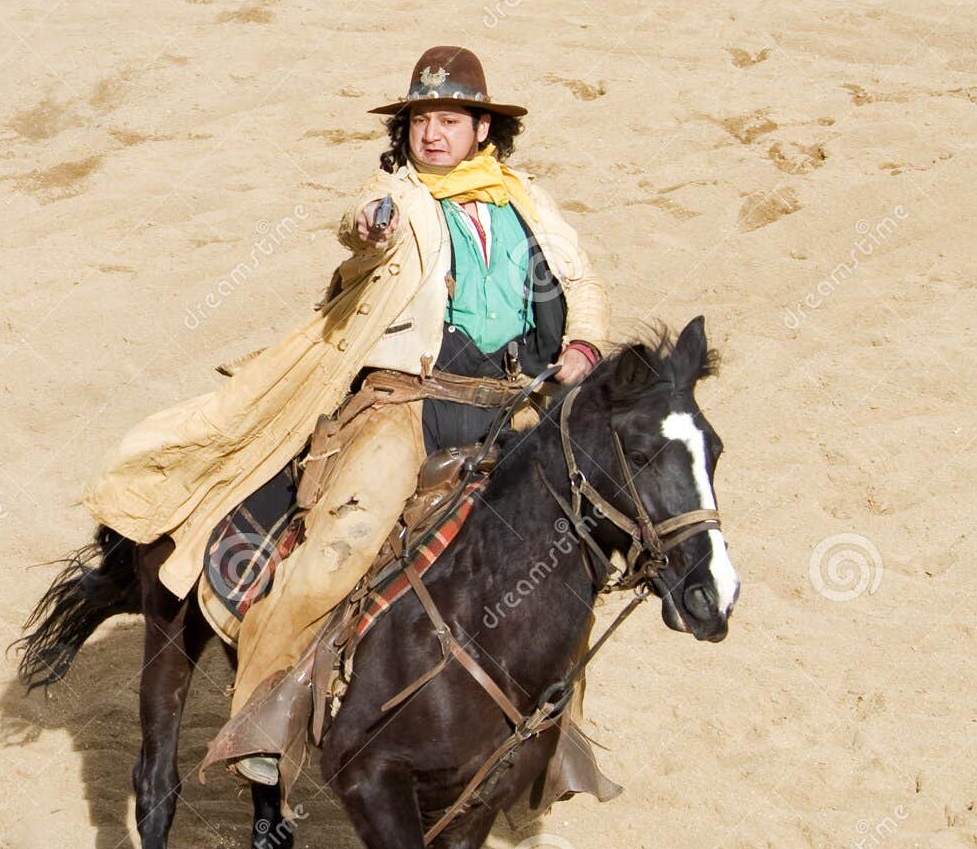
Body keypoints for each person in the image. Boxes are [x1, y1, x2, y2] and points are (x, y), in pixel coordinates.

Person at [84, 45, 611, 790]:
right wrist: (370, 223)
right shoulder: (398, 197)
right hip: (404, 407)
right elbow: (363, 225)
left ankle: (556, 736)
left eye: (450, 120)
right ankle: (265, 715)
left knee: (563, 558)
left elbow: (581, 279)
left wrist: (583, 344)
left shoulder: (525, 201)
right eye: (421, 121)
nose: (433, 134)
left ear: (482, 130)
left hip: (506, 411)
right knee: (336, 549)